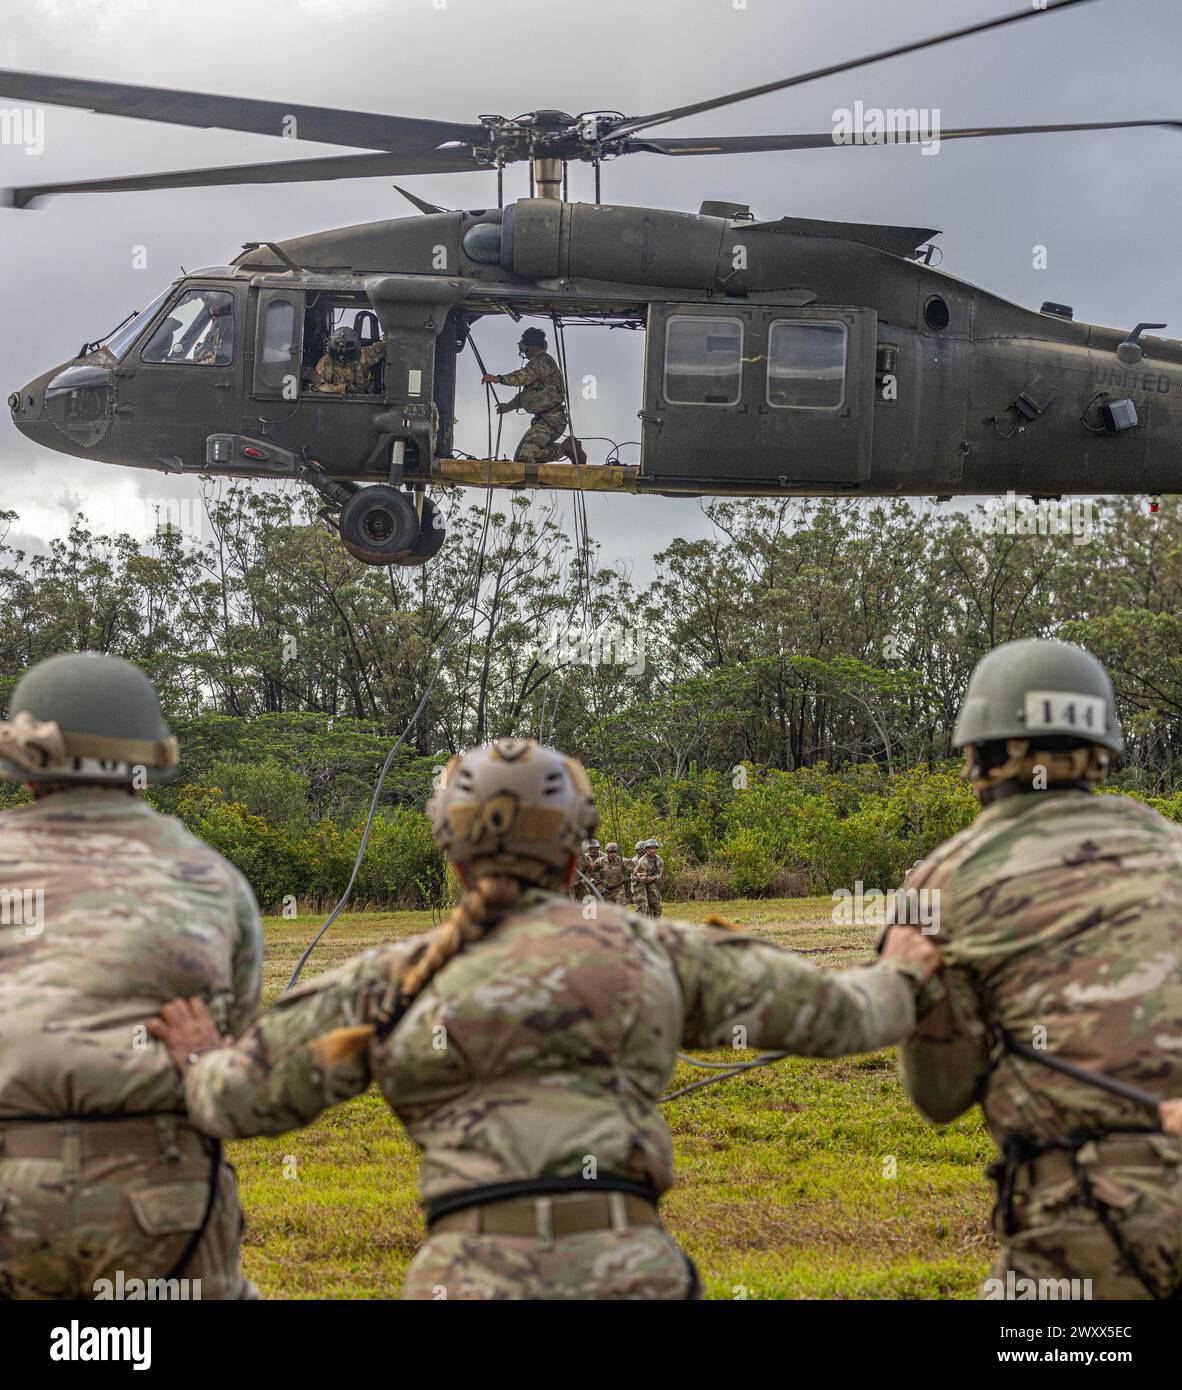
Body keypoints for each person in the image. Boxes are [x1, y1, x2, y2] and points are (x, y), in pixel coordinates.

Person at [150, 736, 940, 1300]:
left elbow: (241, 1102)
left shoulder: (388, 983)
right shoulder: (656, 952)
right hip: (630, 1272)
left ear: (452, 858)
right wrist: (903, 970)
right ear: (575, 856)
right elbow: (843, 1018)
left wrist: (198, 1056)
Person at [894, 638, 1182, 1299]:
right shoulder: (1172, 847)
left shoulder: (946, 879)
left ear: (987, 750)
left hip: (1087, 1219)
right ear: (1100, 747)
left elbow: (939, 1096)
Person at [0, 652, 262, 1300]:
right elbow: (236, 1039)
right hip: (163, 1196)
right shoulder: (213, 878)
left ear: (27, 766)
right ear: (146, 757)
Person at [481, 327, 587, 465]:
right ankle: (565, 449)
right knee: (520, 458)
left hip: (552, 418)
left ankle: (565, 449)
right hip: (547, 419)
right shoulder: (539, 363)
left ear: (528, 346)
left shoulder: (542, 361)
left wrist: (499, 379)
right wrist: (507, 407)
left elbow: (522, 377)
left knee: (527, 456)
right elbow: (529, 396)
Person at [313, 325, 385, 395]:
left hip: (364, 400)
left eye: (347, 354)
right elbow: (318, 386)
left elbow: (388, 345)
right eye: (339, 353)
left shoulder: (365, 354)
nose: (342, 357)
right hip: (337, 403)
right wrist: (344, 389)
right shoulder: (325, 362)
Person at [190, 291, 234, 366]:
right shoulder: (218, 324)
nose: (211, 307)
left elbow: (222, 359)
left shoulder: (230, 329)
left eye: (217, 302)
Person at [632, 838, 664, 918]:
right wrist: (646, 878)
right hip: (639, 883)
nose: (652, 850)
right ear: (646, 849)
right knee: (643, 905)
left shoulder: (659, 860)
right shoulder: (642, 861)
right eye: (650, 848)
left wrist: (654, 878)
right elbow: (639, 876)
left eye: (654, 848)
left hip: (650, 882)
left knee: (656, 902)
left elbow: (659, 873)